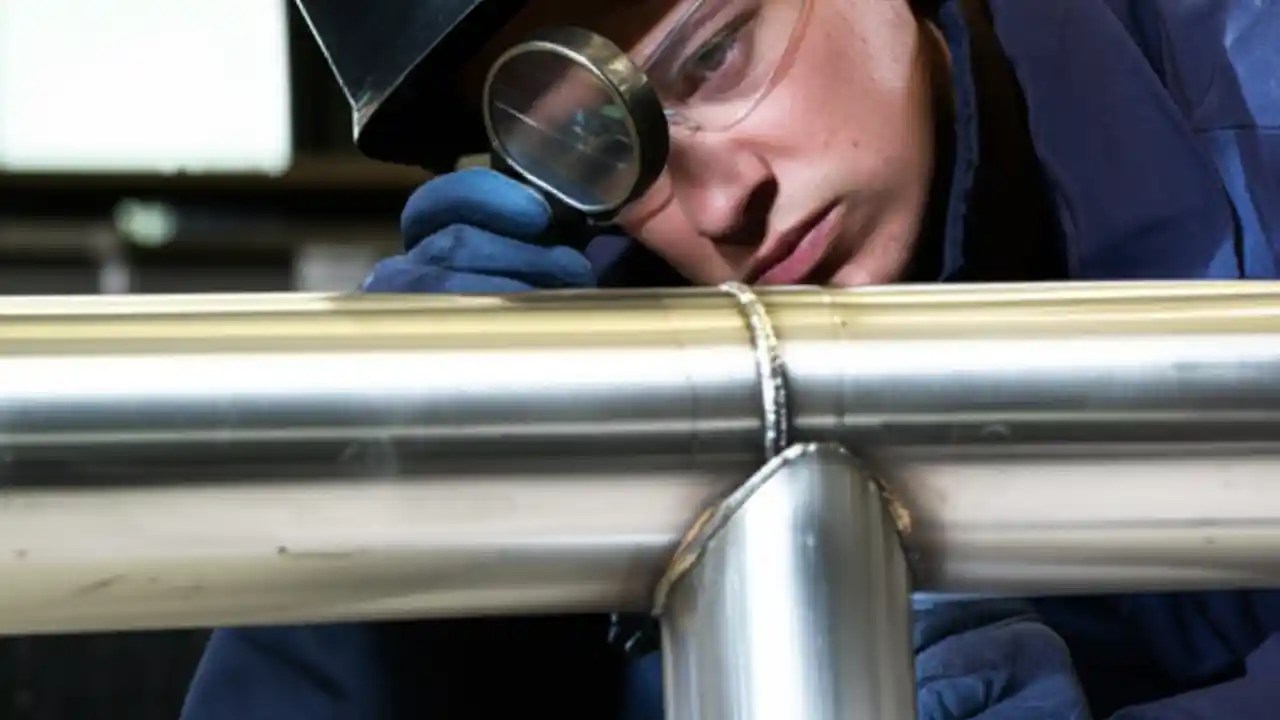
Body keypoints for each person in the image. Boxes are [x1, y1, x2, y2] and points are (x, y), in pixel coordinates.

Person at [182, 0, 1280, 717]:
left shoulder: (1247, 95)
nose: (716, 203)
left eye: (713, 56)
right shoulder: (590, 364)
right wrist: (368, 530)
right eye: (599, 140)